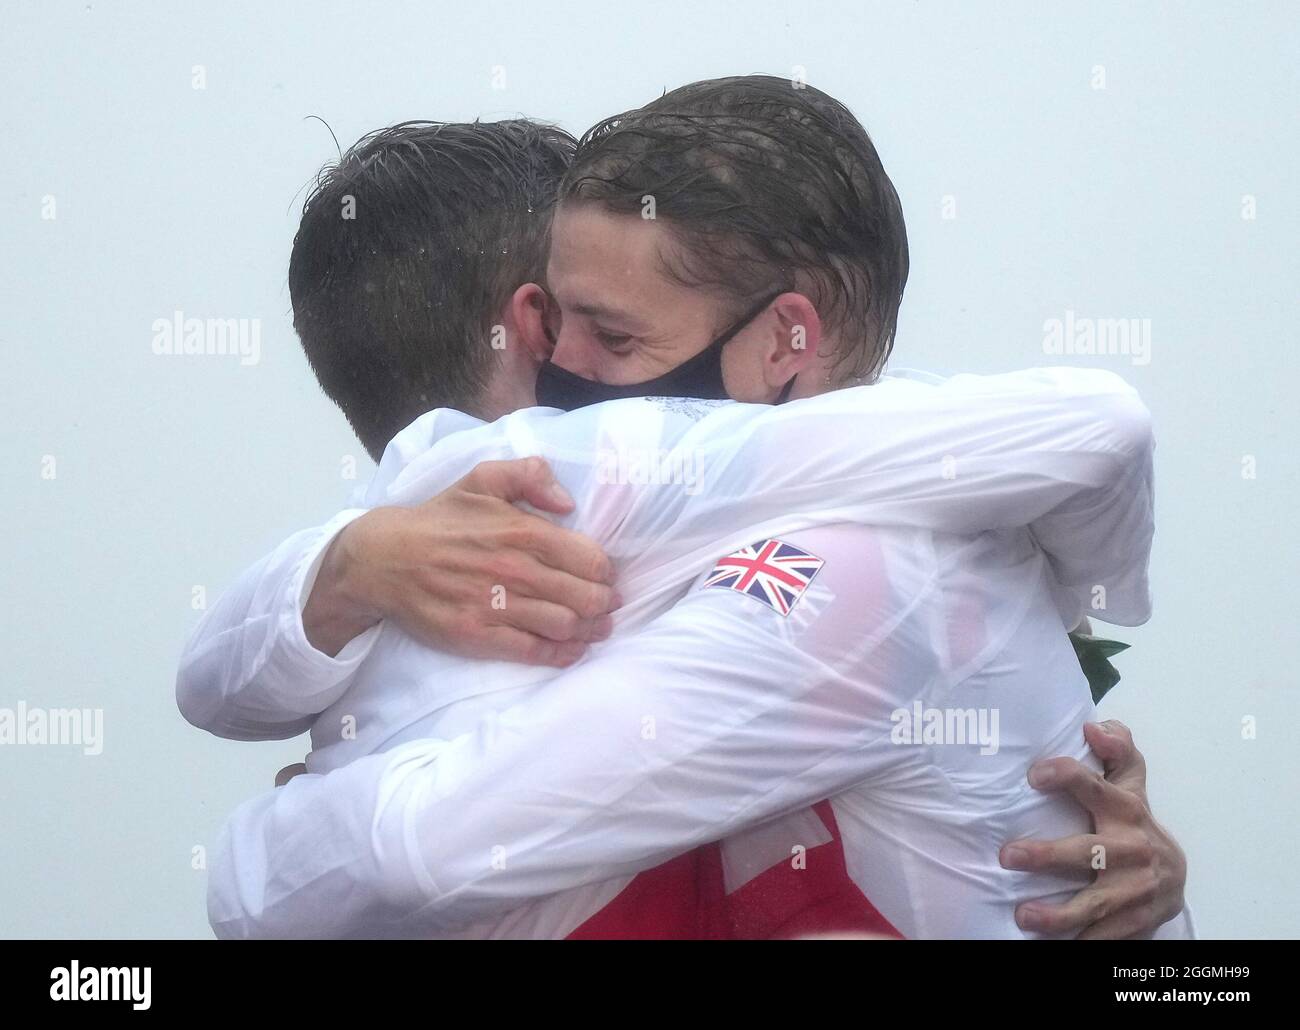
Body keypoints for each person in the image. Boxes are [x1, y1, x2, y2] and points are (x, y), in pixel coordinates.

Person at [182, 98, 1187, 938]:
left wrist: (254, 856)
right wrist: (345, 574)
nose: (578, 362)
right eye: (566, 313)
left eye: (612, 328)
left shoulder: (847, 560)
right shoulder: (413, 591)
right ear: (529, 319)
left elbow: (419, 850)